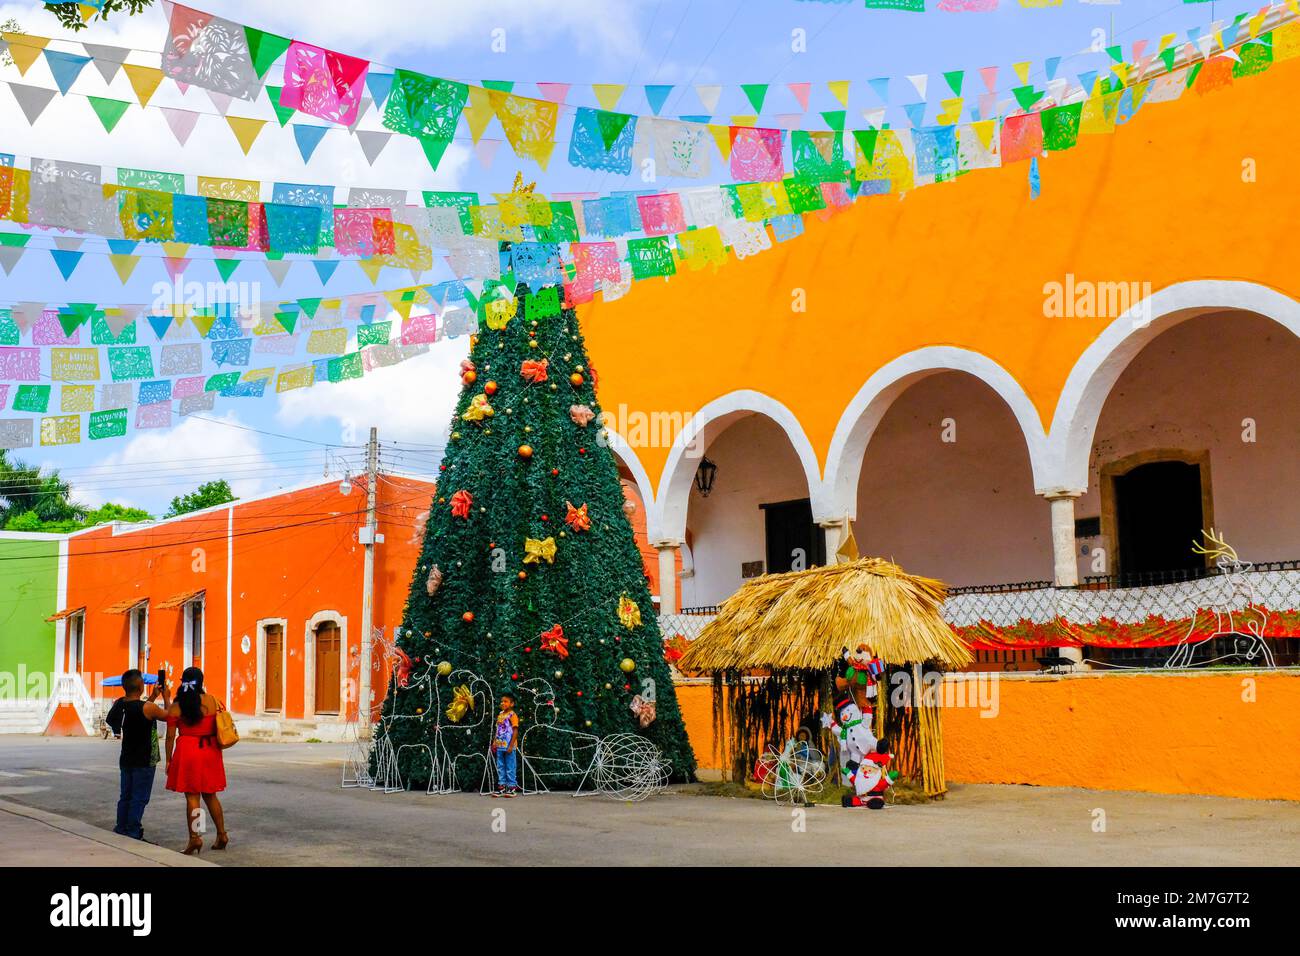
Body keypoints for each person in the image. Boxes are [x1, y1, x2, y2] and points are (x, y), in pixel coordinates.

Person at [164, 667, 229, 854]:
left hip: (188, 752)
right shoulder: (213, 701)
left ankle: (196, 838)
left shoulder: (177, 706)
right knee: (210, 794)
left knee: (193, 797)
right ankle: (222, 834)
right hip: (210, 751)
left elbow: (169, 737)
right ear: (201, 682)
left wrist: (168, 760)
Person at [105, 669, 169, 840]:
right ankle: (133, 831)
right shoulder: (149, 708)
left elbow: (115, 719)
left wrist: (153, 697)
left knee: (126, 795)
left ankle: (121, 827)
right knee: (139, 797)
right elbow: (170, 716)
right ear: (141, 686)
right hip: (145, 759)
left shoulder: (120, 704)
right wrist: (166, 697)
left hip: (126, 757)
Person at [490, 692, 520, 797]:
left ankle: (512, 788)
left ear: (512, 704)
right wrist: (494, 743)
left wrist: (511, 745)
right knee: (500, 766)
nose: (503, 703)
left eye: (506, 701)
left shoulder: (513, 715)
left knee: (510, 767)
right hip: (499, 746)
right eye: (502, 701)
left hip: (509, 746)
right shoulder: (500, 715)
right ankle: (501, 787)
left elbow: (515, 731)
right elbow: (498, 730)